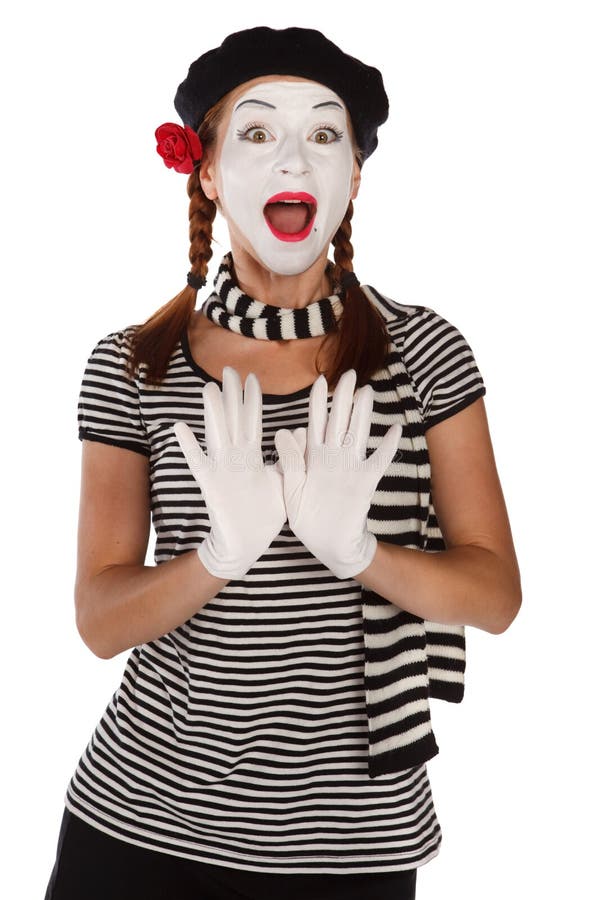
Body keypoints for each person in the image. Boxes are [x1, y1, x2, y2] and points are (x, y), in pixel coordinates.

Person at [44, 25, 522, 900]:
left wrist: (362, 555)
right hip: (141, 828)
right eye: (258, 133)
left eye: (325, 135)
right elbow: (100, 620)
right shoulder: (133, 364)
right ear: (209, 171)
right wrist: (219, 557)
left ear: (354, 174)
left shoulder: (426, 353)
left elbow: (494, 596)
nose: (294, 158)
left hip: (355, 850)